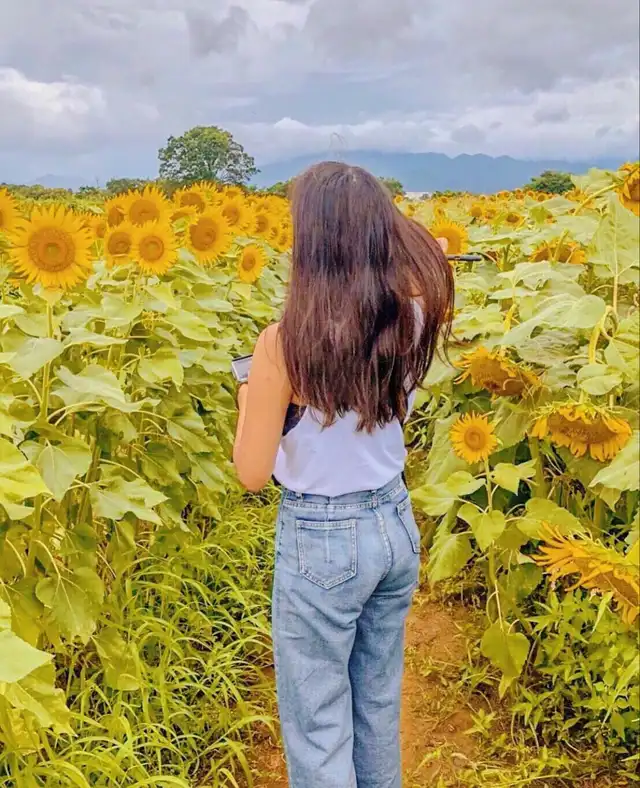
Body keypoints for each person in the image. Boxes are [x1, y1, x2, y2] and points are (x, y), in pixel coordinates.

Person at [233, 162, 454, 788]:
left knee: (318, 722)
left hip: (321, 541)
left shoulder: (283, 344)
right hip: (394, 524)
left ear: (311, 246)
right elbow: (434, 253)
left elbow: (252, 472)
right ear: (382, 235)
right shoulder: (413, 314)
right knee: (376, 703)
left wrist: (251, 398)